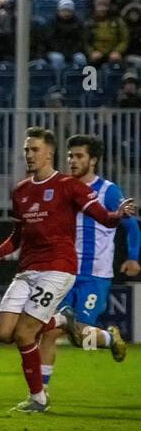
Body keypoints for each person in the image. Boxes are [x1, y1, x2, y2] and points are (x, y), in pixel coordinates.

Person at [0, 127, 136, 413]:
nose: (29, 154)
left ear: (49, 153)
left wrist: (118, 215)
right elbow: (18, 237)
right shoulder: (21, 191)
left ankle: (39, 397)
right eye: (26, 150)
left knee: (31, 334)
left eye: (34, 149)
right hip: (27, 271)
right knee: (4, 332)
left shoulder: (71, 186)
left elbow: (106, 219)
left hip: (60, 269)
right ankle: (60, 321)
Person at [38, 134, 138, 389]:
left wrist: (133, 257)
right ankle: (40, 395)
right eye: (70, 155)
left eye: (79, 156)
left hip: (94, 275)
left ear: (93, 160)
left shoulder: (108, 190)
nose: (72, 160)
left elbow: (132, 226)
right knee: (48, 330)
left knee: (79, 335)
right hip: (63, 272)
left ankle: (109, 338)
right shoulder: (61, 187)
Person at [38, 0, 86, 71]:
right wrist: (63, 52)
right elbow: (49, 41)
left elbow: (80, 41)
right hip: (54, 51)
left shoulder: (78, 23)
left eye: (69, 11)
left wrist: (71, 52)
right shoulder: (51, 23)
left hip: (73, 51)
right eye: (63, 10)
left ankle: (80, 80)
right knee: (58, 58)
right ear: (58, 11)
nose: (66, 13)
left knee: (80, 58)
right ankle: (58, 80)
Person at [85, 0, 129, 67]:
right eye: (99, 6)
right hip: (96, 54)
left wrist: (117, 51)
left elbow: (124, 39)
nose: (102, 9)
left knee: (119, 64)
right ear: (95, 7)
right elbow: (85, 41)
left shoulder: (117, 21)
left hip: (113, 53)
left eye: (104, 6)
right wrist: (92, 52)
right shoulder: (89, 22)